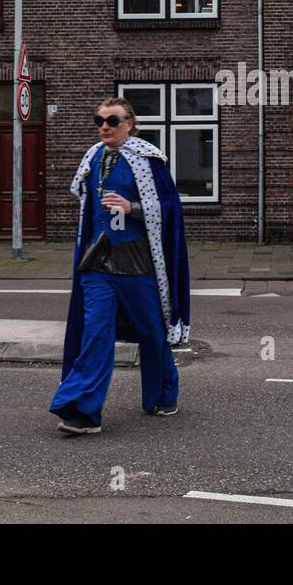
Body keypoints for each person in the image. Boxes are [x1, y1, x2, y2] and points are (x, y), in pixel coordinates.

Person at [49, 97, 190, 435]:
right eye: (99, 119)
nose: (104, 127)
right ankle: (83, 410)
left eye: (112, 120)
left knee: (153, 333)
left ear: (130, 124)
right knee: (94, 335)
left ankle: (162, 394)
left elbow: (170, 207)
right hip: (97, 263)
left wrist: (134, 207)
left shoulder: (148, 159)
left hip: (137, 263)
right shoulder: (92, 157)